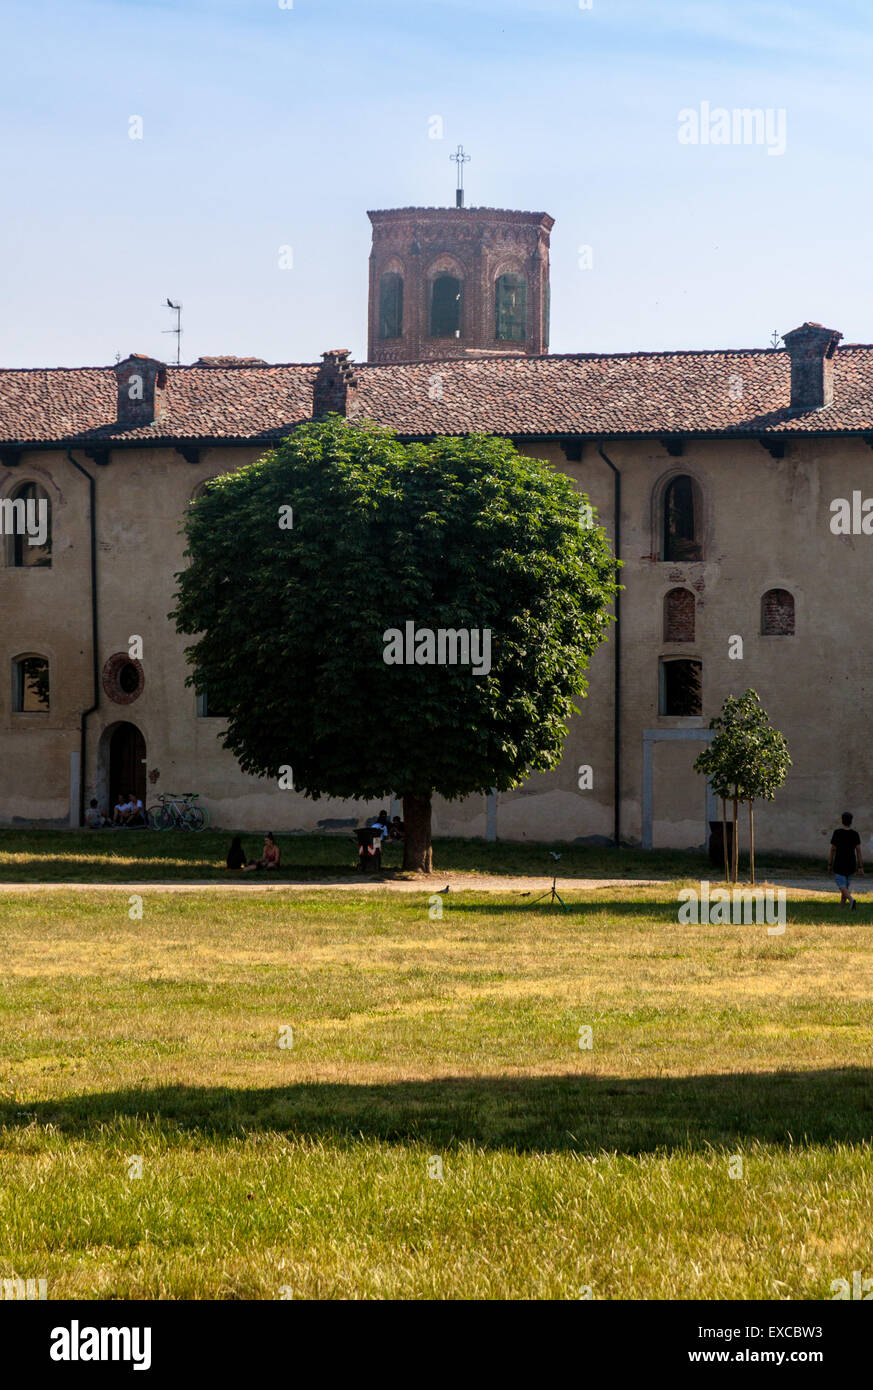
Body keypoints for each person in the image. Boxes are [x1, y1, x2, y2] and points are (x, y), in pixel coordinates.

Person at [829, 811, 863, 909]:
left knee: (841, 885)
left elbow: (832, 849)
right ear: (851, 821)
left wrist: (830, 864)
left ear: (842, 820)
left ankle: (851, 900)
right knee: (845, 886)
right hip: (851, 862)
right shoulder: (855, 834)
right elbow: (859, 851)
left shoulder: (837, 833)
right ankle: (842, 906)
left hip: (839, 862)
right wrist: (860, 866)